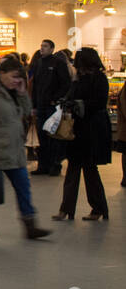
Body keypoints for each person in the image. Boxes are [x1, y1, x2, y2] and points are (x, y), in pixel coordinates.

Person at [0, 56, 50, 239]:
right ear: (2, 73)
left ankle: (30, 224)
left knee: (23, 186)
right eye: (14, 77)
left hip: (14, 151)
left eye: (19, 78)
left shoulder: (13, 91)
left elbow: (27, 111)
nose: (16, 81)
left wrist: (23, 93)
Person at [53, 48, 112, 221]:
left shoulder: (98, 78)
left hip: (91, 130)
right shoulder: (80, 78)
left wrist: (77, 103)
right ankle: (71, 209)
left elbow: (100, 103)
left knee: (88, 170)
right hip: (79, 129)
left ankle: (94, 208)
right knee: (77, 169)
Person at [30, 39, 70, 175]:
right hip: (41, 106)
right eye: (41, 46)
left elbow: (65, 84)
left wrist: (55, 99)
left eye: (45, 46)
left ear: (52, 49)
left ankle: (54, 165)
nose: (42, 48)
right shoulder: (39, 63)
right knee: (41, 136)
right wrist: (34, 104)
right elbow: (35, 86)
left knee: (53, 136)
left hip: (52, 107)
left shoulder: (58, 64)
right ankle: (43, 165)